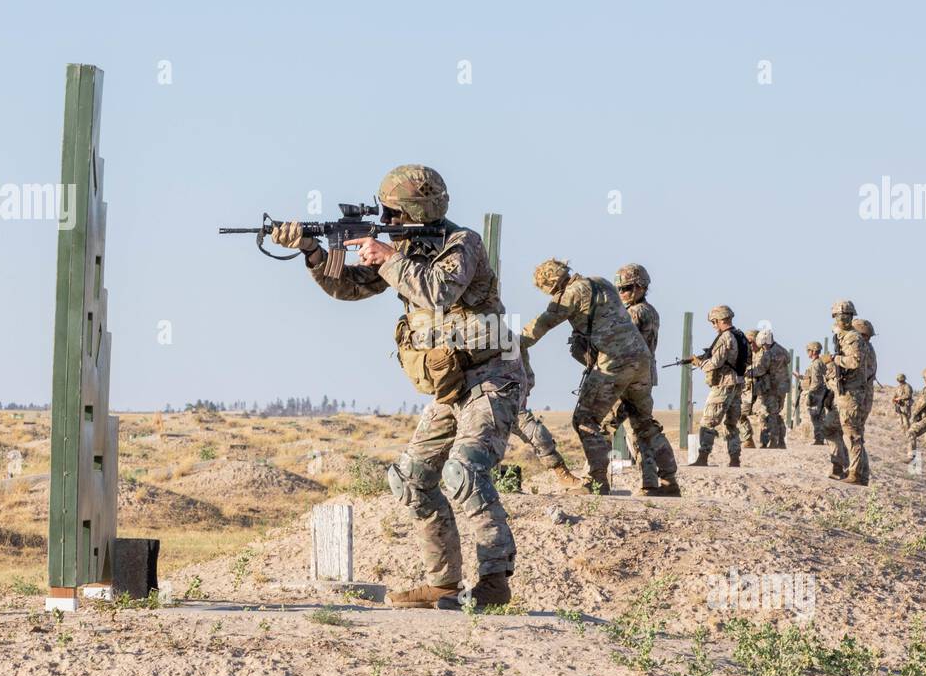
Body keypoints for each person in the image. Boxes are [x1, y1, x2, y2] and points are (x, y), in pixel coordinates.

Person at [270, 164, 524, 610]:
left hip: (493, 377)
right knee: (411, 479)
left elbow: (438, 291)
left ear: (415, 210)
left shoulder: (461, 244)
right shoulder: (402, 248)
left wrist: (387, 256)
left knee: (465, 470)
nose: (385, 220)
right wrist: (311, 250)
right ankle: (443, 584)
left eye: (391, 212)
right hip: (451, 385)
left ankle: (494, 582)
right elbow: (347, 288)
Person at [520, 259, 679, 496]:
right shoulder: (600, 282)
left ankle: (596, 481)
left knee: (585, 419)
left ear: (552, 284)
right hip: (642, 362)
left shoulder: (571, 293)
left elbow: (539, 326)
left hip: (614, 362)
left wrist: (508, 345)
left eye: (550, 291)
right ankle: (668, 481)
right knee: (644, 423)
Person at [601, 263, 673, 494]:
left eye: (627, 288)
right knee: (643, 430)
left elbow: (619, 343)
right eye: (619, 288)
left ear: (640, 287)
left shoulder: (634, 313)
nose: (622, 292)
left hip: (626, 378)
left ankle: (594, 479)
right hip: (643, 377)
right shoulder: (650, 311)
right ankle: (657, 481)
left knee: (601, 426)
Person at [510, 345, 582, 487]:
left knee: (537, 433)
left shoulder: (506, 337)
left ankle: (562, 473)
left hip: (504, 397)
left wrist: (523, 390)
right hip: (465, 399)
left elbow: (524, 368)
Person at [820, 302, 874, 485]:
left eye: (846, 316)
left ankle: (857, 475)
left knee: (852, 434)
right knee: (828, 427)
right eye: (839, 316)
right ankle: (840, 465)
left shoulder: (853, 338)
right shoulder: (842, 338)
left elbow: (854, 362)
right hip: (841, 393)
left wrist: (835, 359)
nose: (842, 319)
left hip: (852, 395)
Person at [688, 305, 746, 468]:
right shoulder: (740, 335)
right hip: (737, 383)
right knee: (731, 424)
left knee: (708, 421)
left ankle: (703, 458)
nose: (714, 326)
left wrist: (699, 362)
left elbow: (715, 363)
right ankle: (735, 459)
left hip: (723, 384)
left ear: (720, 320)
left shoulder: (725, 337)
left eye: (714, 322)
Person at [754, 329, 791, 449]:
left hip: (773, 387)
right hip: (783, 386)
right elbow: (788, 359)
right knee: (777, 413)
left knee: (772, 414)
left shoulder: (768, 353)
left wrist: (748, 372)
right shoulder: (782, 350)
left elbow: (761, 369)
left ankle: (773, 441)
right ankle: (781, 441)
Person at [797, 341, 828, 444]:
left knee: (816, 417)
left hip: (816, 394)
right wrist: (800, 377)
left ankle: (819, 439)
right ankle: (819, 438)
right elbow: (811, 377)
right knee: (818, 416)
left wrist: (811, 394)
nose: (807, 352)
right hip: (819, 393)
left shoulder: (816, 364)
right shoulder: (817, 362)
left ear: (814, 351)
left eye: (809, 350)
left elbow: (816, 381)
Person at [738, 329, 760, 449]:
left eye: (751, 342)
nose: (749, 345)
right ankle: (748, 439)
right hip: (748, 390)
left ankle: (772, 442)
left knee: (765, 416)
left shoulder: (763, 354)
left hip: (761, 391)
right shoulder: (747, 354)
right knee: (739, 414)